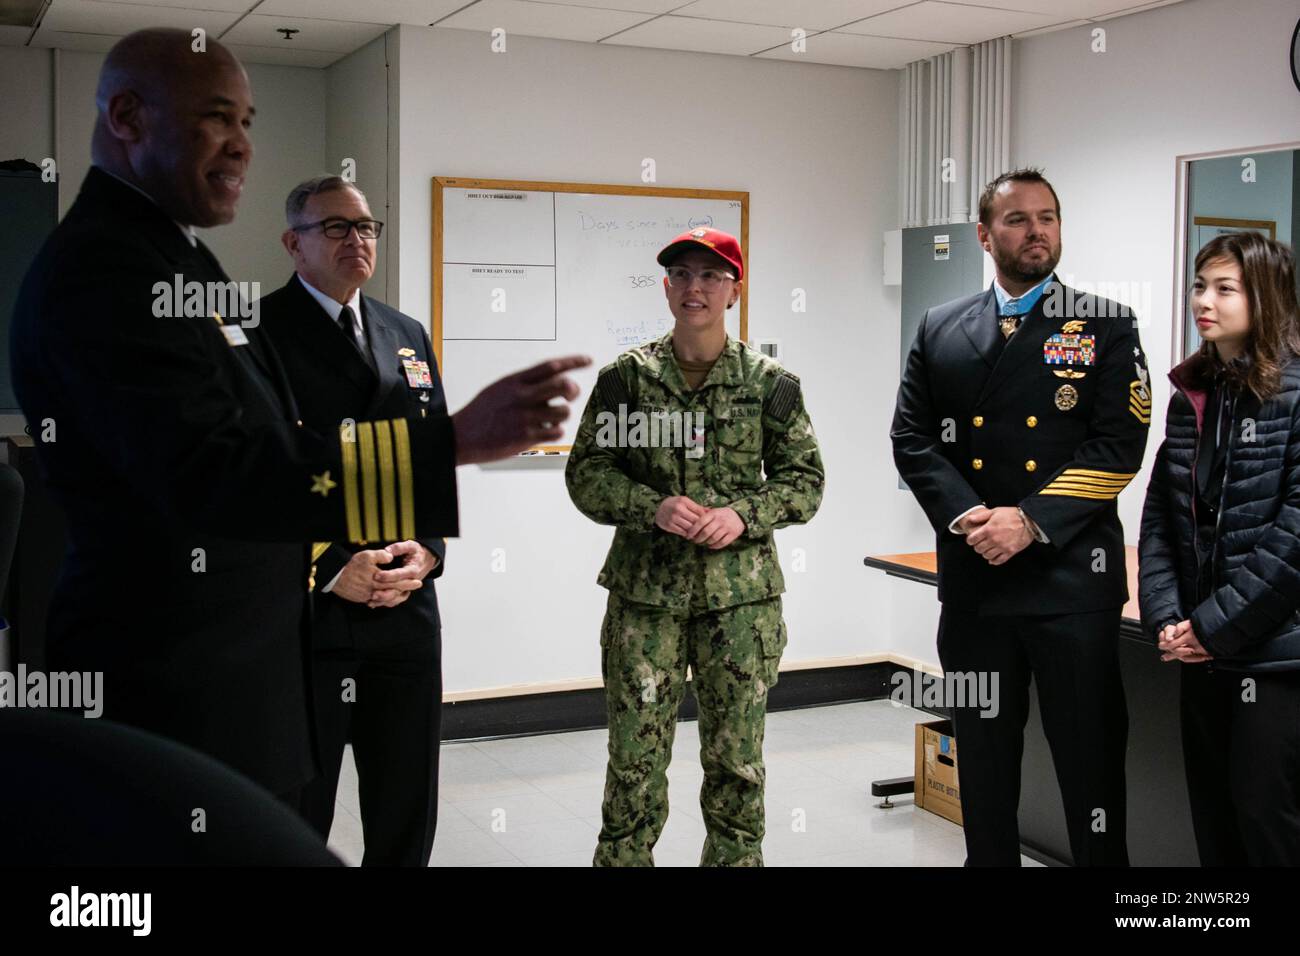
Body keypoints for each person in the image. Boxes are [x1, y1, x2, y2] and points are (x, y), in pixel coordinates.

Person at [10, 28, 587, 807]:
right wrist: (448, 443)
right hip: (174, 683)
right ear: (127, 117)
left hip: (242, 670)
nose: (242, 145)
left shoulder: (174, 257)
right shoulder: (112, 270)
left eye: (247, 122)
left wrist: (425, 543)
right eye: (216, 116)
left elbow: (265, 444)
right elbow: (223, 468)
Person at [891, 168, 1150, 866]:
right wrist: (973, 517)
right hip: (977, 586)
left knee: (1090, 767)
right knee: (982, 760)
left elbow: (1119, 446)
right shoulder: (941, 325)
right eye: (1017, 219)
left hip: (1071, 585)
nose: (1036, 231)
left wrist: (1029, 520)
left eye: (1047, 217)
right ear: (984, 235)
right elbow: (911, 438)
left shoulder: (1106, 323)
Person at [566, 227, 824, 866]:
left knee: (737, 765)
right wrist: (650, 506)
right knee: (633, 762)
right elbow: (587, 474)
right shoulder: (627, 381)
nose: (695, 288)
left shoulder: (769, 385)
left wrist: (743, 515)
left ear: (734, 291)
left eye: (711, 276)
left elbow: (804, 481)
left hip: (740, 605)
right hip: (644, 600)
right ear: (666, 288)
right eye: (682, 274)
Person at [258, 175, 447, 865]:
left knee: (406, 803)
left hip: (403, 604)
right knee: (297, 809)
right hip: (307, 609)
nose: (357, 240)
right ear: (294, 243)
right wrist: (333, 565)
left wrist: (428, 550)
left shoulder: (404, 332)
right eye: (335, 227)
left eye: (366, 226)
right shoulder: (254, 333)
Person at [1138, 231, 1300, 866]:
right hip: (1203, 651)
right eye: (1199, 286)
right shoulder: (1197, 392)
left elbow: (1293, 539)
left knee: (1267, 819)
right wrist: (1166, 615)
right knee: (1214, 819)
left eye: (1224, 289)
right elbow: (1161, 517)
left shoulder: (1293, 392)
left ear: (1264, 296)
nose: (1203, 301)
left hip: (1275, 655)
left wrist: (1212, 627)